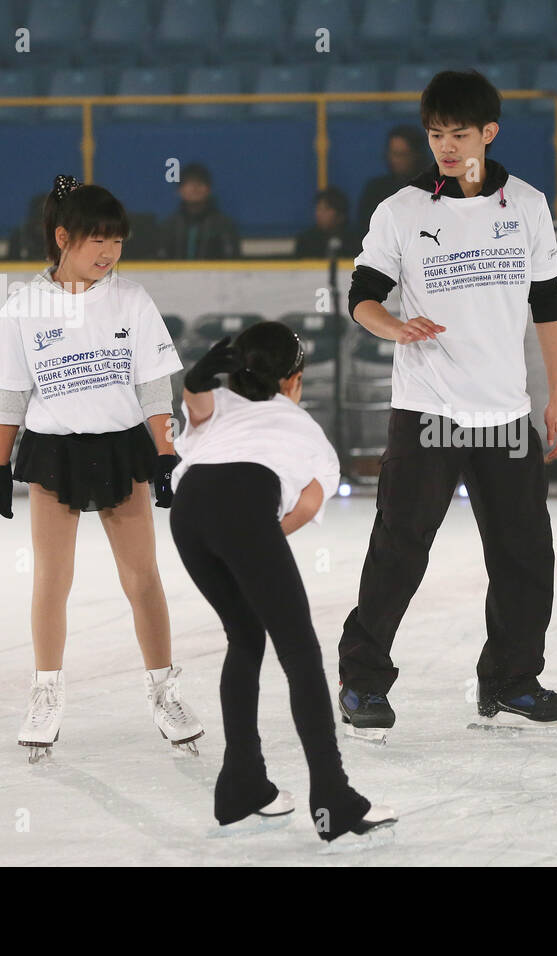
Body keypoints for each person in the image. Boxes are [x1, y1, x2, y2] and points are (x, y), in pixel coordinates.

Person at [337, 69, 557, 738]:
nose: (445, 144)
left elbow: (548, 305)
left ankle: (511, 681)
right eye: (435, 133)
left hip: (504, 414)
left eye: (459, 133)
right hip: (428, 411)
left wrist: (555, 397)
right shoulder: (402, 212)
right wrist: (391, 325)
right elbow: (362, 296)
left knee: (525, 555)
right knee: (401, 547)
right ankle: (360, 681)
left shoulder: (526, 206)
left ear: (489, 133)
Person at [0, 174, 204, 761]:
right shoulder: (24, 306)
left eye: (117, 242)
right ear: (63, 237)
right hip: (53, 452)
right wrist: (0, 465)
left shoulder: (132, 300)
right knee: (52, 581)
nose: (108, 253)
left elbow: (155, 384)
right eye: (96, 241)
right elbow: (12, 394)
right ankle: (47, 692)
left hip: (121, 448)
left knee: (143, 578)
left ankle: (165, 690)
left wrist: (164, 453)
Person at [169, 323, 395, 840]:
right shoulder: (306, 432)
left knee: (244, 637)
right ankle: (334, 800)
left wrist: (195, 378)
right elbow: (305, 506)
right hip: (245, 501)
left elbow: (196, 403)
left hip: (188, 512)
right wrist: (253, 538)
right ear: (295, 380)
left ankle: (242, 786)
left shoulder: (220, 402)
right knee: (299, 652)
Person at [158, 163, 240, 260]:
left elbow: (231, 259)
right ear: (179, 190)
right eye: (189, 183)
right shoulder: (169, 226)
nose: (194, 188)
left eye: (200, 183)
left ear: (209, 190)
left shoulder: (223, 226)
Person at [356, 124, 428, 233]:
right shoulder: (375, 189)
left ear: (417, 155)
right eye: (392, 154)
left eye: (402, 155)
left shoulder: (433, 187)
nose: (395, 160)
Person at [292, 187, 361, 258]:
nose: (319, 213)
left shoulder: (355, 241)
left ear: (341, 214)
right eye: (318, 209)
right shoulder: (306, 241)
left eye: (326, 209)